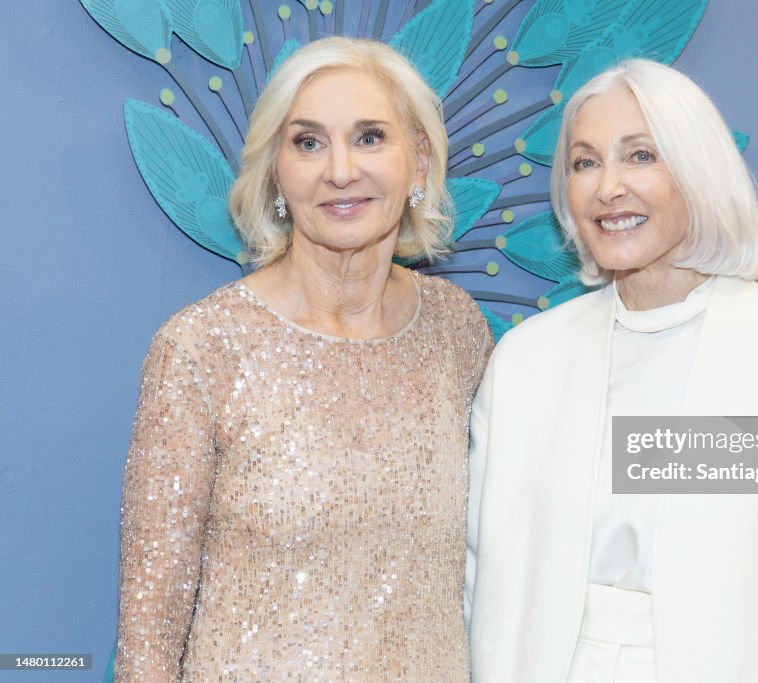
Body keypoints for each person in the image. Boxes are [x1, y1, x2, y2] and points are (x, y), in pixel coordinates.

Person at [465, 59, 758, 681]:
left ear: (698, 173)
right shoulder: (526, 361)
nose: (609, 187)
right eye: (585, 162)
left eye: (641, 156)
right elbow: (479, 579)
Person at [115, 37, 490, 681]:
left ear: (419, 161)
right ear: (275, 172)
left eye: (370, 137)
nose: (340, 170)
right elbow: (150, 635)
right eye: (308, 142)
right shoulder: (204, 349)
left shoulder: (456, 330)